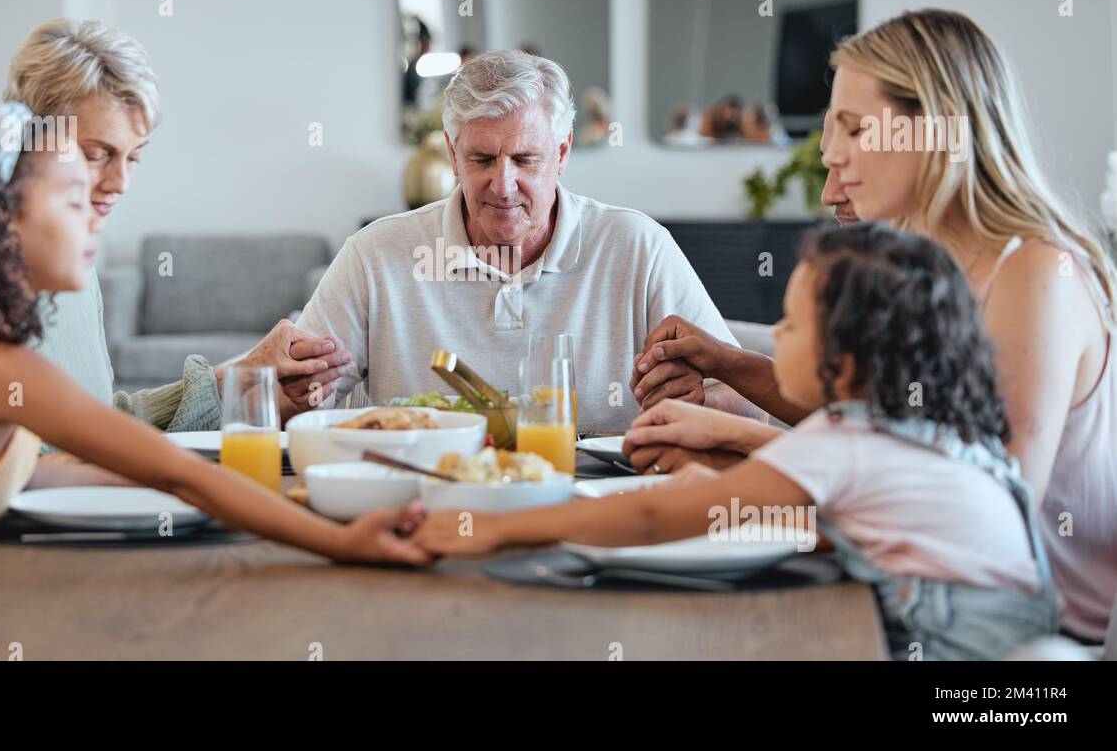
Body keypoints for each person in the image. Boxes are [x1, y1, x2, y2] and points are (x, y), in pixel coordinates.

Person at [632, 9, 1116, 642]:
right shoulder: (927, 260)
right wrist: (730, 364)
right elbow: (884, 431)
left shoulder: (1034, 273)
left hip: (1028, 641)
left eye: (855, 128)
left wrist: (738, 442)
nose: (831, 154)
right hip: (914, 592)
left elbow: (975, 501)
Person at [0, 107, 428, 596]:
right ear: (0, 222)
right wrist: (339, 540)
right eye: (74, 200)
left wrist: (271, 493)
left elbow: (40, 470)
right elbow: (173, 470)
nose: (97, 219)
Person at [414, 224, 1059, 661]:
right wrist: (729, 495)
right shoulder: (931, 430)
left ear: (852, 359)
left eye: (794, 323)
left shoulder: (845, 441)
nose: (775, 332)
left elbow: (645, 515)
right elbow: (884, 529)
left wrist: (492, 531)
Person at [295, 49, 760, 432]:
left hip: (600, 506)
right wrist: (288, 392)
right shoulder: (374, 254)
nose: (503, 185)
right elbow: (296, 403)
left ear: (562, 153)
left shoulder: (638, 247)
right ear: (453, 155)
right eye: (481, 159)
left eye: (525, 159)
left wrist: (700, 400)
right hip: (422, 502)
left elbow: (749, 402)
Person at [5, 19, 349, 433]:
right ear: (29, 141)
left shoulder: (79, 263)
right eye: (97, 154)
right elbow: (41, 459)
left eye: (134, 158)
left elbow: (100, 422)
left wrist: (241, 380)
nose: (120, 184)